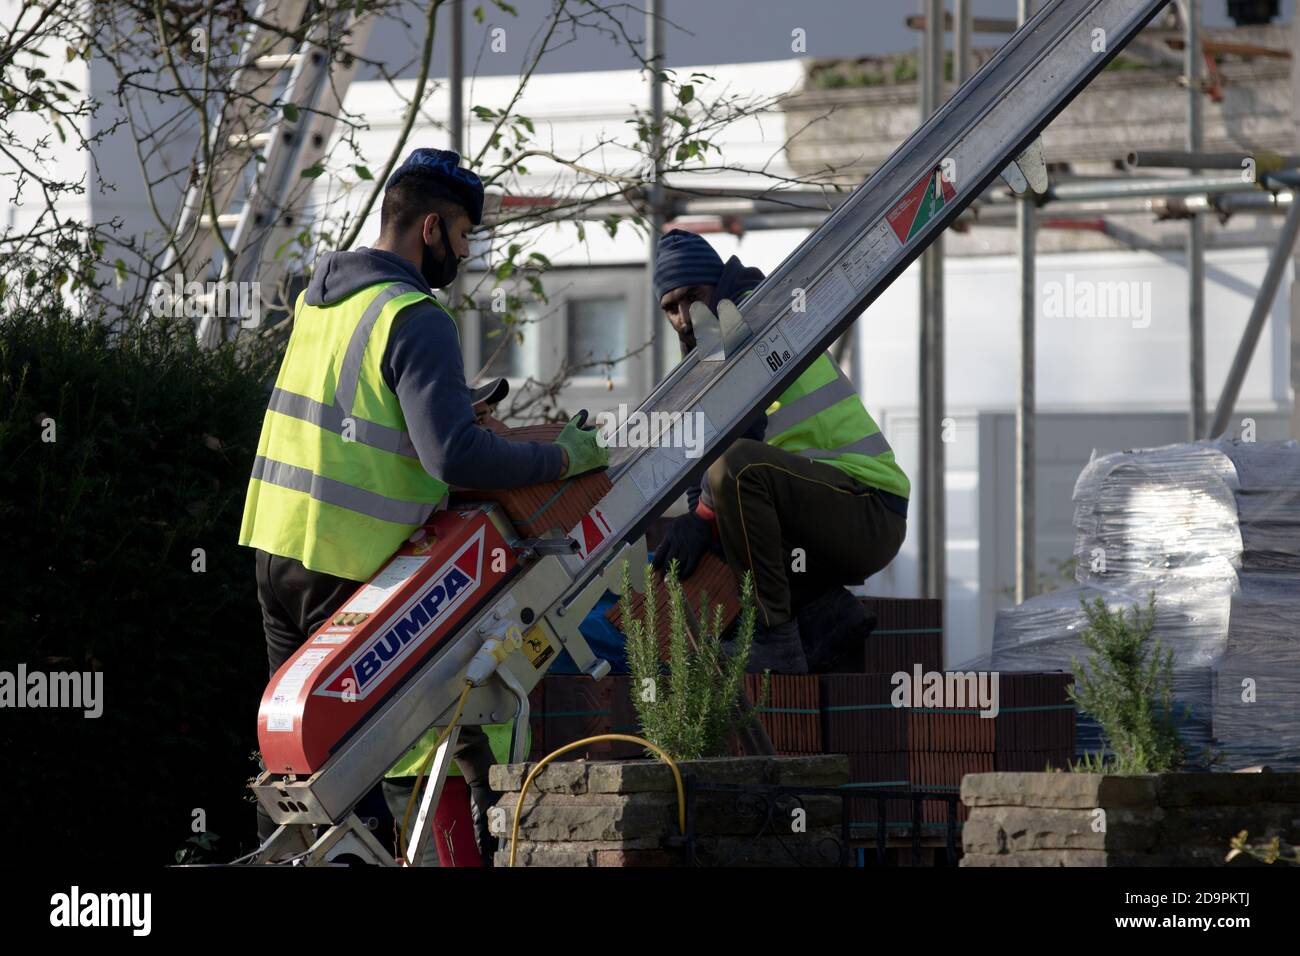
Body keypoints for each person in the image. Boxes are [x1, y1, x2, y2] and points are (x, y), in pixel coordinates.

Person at [238, 147, 608, 862]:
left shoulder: (325, 299)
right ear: (431, 228)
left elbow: (351, 418)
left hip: (279, 556)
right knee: (360, 765)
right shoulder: (415, 315)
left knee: (300, 761)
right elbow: (455, 457)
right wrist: (562, 457)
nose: (466, 253)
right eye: (465, 235)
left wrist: (443, 410)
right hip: (351, 568)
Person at [650, 229, 908, 674]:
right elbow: (707, 457)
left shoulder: (750, 317)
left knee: (739, 470)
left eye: (692, 296)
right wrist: (698, 526)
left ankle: (778, 640)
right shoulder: (710, 353)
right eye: (670, 308)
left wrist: (701, 520)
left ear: (717, 285)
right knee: (729, 509)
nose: (683, 317)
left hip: (869, 508)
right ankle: (829, 617)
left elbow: (738, 436)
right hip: (830, 515)